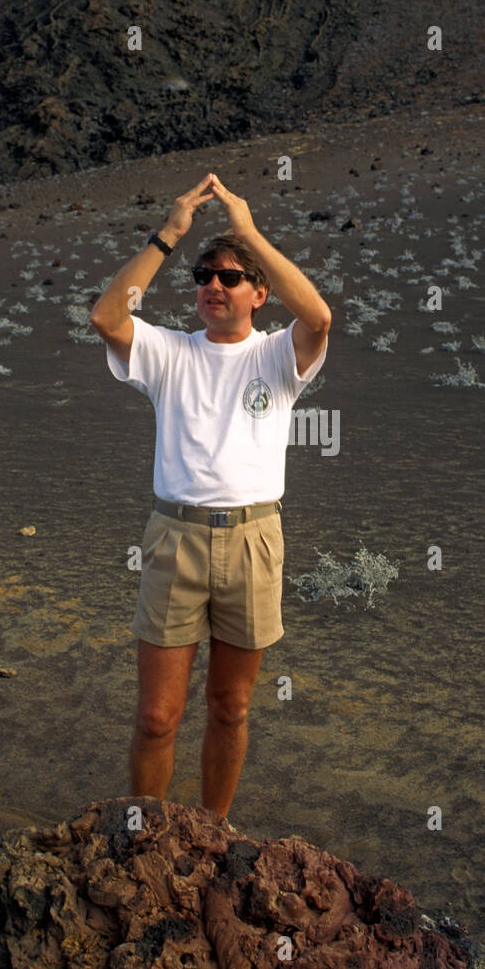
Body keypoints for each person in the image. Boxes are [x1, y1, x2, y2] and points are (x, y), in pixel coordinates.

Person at [90, 172, 331, 819]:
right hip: (175, 539)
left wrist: (249, 233)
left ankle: (213, 833)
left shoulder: (280, 357)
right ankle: (143, 839)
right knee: (158, 715)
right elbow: (107, 316)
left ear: (259, 291)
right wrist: (168, 236)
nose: (212, 288)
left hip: (255, 540)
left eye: (229, 277)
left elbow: (319, 315)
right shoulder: (171, 353)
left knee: (231, 707)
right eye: (203, 277)